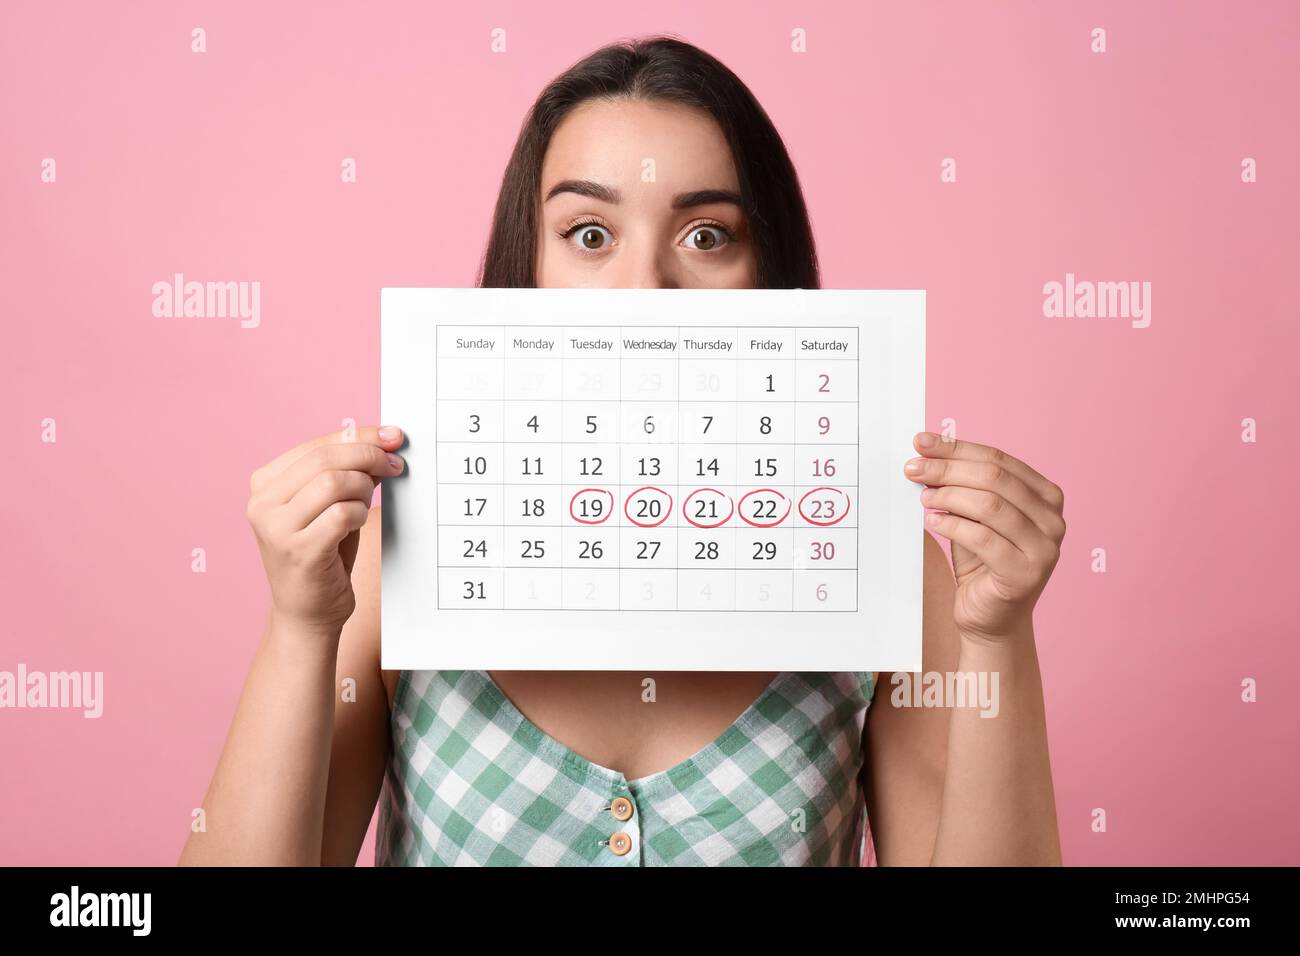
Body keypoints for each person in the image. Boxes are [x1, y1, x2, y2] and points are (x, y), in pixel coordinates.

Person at [180, 36, 1065, 867]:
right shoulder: (389, 569)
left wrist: (997, 637)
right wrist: (300, 628)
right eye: (591, 235)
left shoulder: (883, 578)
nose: (646, 288)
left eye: (707, 235)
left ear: (772, 275)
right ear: (528, 266)